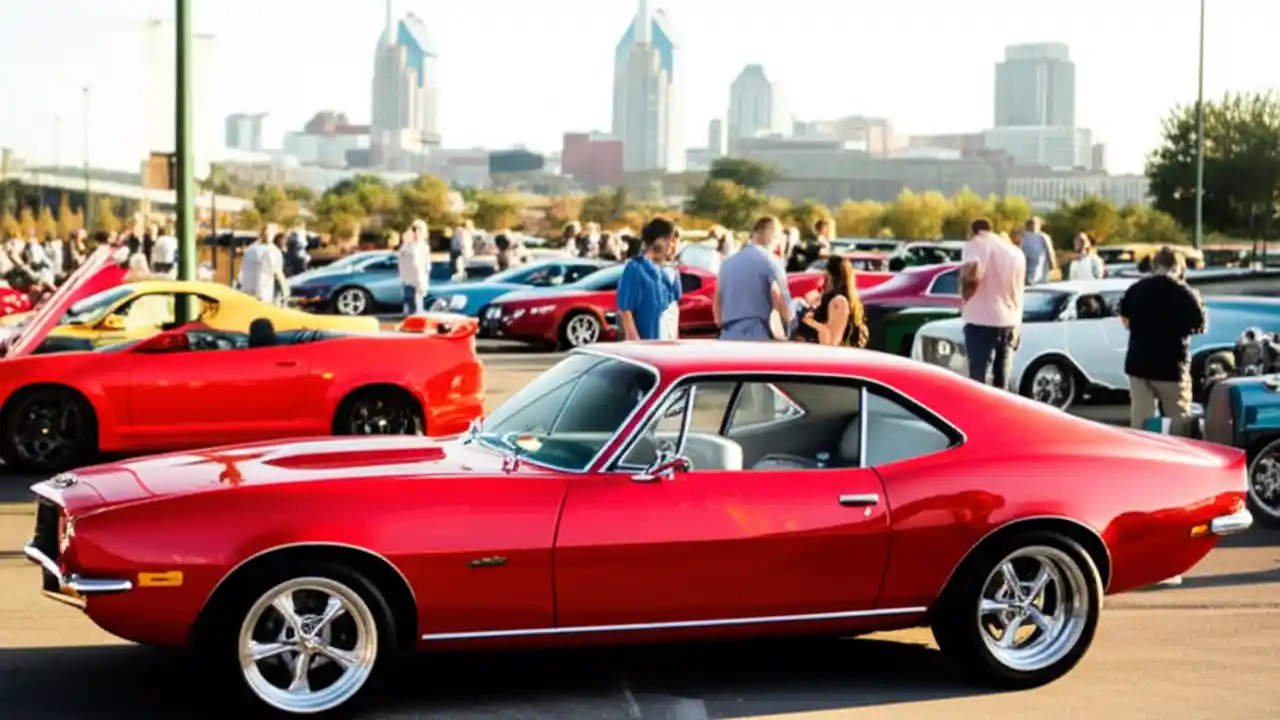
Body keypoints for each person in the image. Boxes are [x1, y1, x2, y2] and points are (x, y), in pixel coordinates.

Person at [1119, 247, 1205, 435]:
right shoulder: (1186, 293)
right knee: (1178, 417)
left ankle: (1142, 455)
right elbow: (1200, 326)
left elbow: (1125, 321)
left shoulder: (1136, 289)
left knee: (1140, 419)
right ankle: (1177, 456)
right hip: (1171, 366)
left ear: (1154, 265)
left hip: (1138, 364)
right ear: (1178, 267)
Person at [960, 217, 1026, 389]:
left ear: (973, 230)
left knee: (978, 379)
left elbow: (972, 277)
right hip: (1009, 321)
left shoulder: (976, 244)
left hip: (981, 320)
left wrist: (964, 298)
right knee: (1001, 380)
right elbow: (1019, 292)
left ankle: (977, 414)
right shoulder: (1014, 252)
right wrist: (1018, 324)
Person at [714, 215, 794, 341]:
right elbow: (785, 306)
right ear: (770, 234)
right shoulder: (771, 262)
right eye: (777, 237)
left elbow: (717, 303)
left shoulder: (727, 263)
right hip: (757, 335)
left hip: (727, 335)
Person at [617, 217, 681, 341]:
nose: (672, 246)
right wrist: (634, 339)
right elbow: (625, 309)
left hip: (668, 341)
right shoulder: (636, 268)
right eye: (670, 240)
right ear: (659, 240)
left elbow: (674, 307)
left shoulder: (671, 271)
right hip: (647, 340)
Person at [797, 256, 868, 347]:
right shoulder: (841, 300)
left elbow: (832, 341)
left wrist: (812, 323)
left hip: (829, 356)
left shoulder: (838, 302)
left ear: (831, 276)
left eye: (826, 276)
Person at [238, 224, 286, 304]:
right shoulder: (274, 252)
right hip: (264, 297)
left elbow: (241, 273)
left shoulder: (250, 250)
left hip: (247, 294)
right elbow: (279, 276)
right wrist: (284, 295)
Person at [398, 219, 431, 315]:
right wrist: (403, 278)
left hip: (419, 281)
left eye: (419, 230)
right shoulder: (406, 247)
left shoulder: (423, 247)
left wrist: (423, 282)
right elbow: (402, 263)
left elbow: (425, 266)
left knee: (417, 306)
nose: (416, 233)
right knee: (409, 304)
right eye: (414, 230)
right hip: (408, 280)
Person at [1020, 217, 1057, 285]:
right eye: (1030, 223)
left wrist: (1052, 262)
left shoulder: (1043, 236)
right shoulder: (1025, 236)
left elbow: (1050, 250)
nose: (1032, 225)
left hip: (1039, 262)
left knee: (1038, 280)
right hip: (1027, 262)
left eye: (1034, 223)